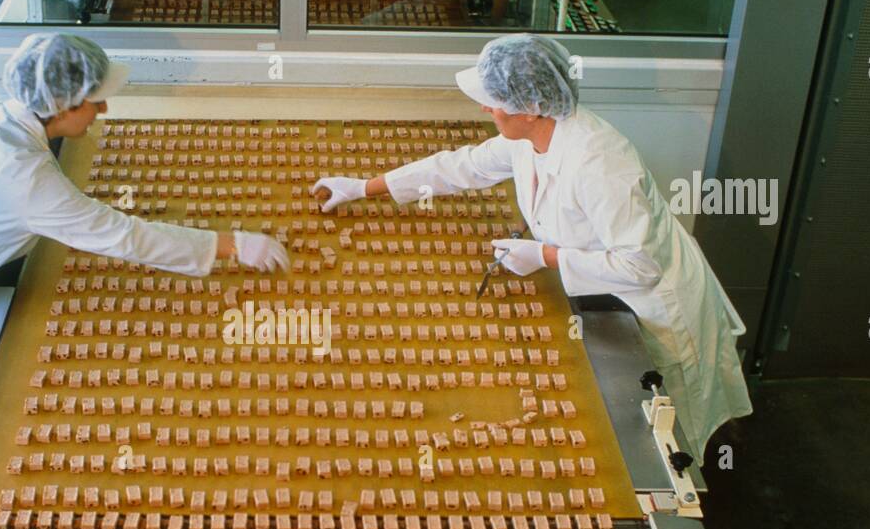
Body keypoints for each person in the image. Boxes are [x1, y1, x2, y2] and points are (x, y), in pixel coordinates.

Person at [0, 32, 289, 502]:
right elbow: (126, 236)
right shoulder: (23, 178)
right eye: (95, 101)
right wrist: (231, 245)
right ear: (62, 106)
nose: (103, 110)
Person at [313, 33, 750, 465]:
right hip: (609, 287)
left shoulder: (600, 163)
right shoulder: (530, 137)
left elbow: (640, 266)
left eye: (494, 101)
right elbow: (461, 166)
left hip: (659, 304)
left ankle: (718, 480)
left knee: (675, 428)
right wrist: (363, 188)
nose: (485, 107)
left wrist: (545, 256)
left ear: (531, 107)